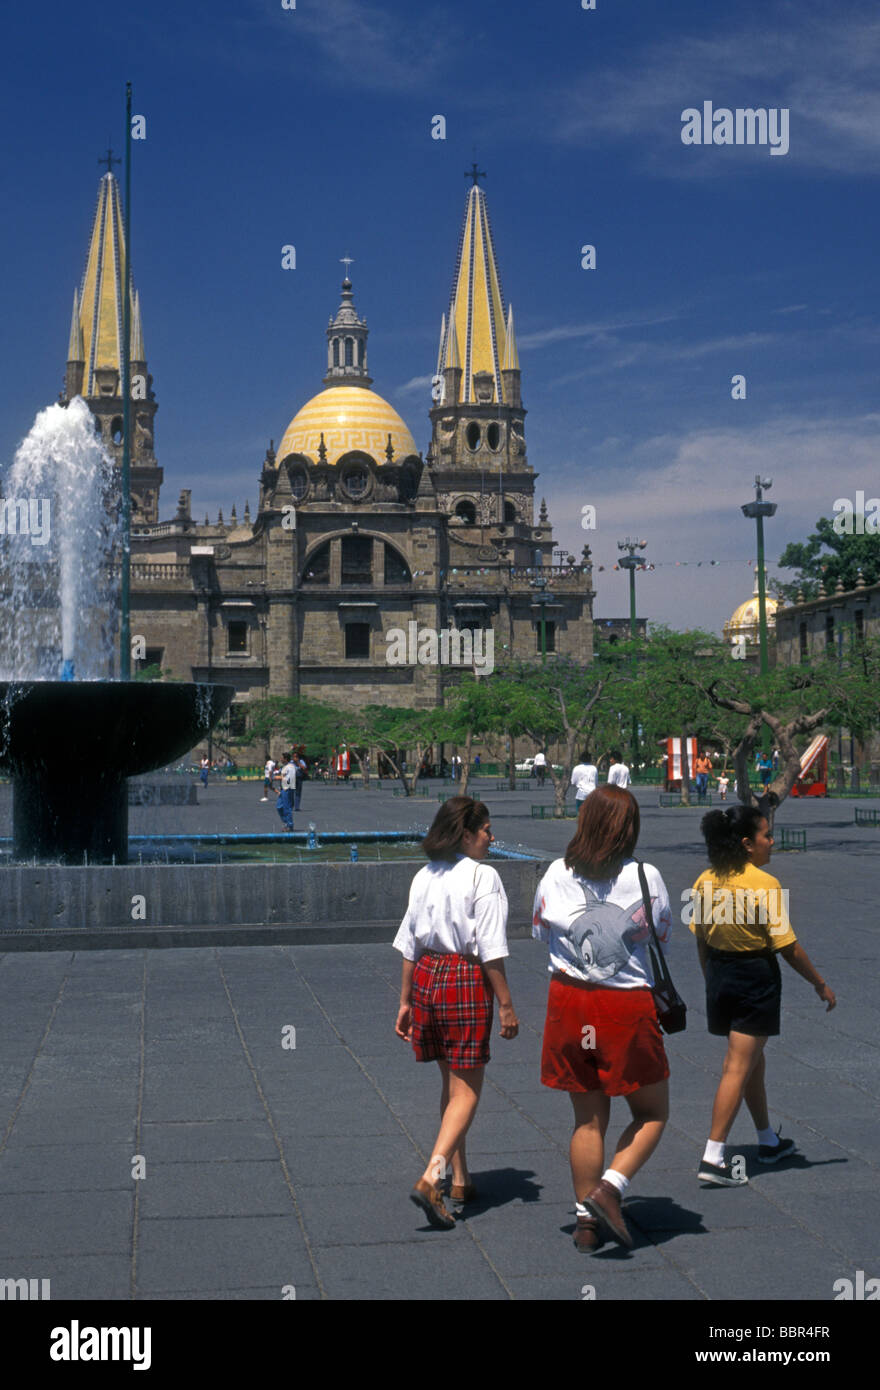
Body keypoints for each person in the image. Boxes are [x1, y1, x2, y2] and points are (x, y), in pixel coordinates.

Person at [533, 786, 672, 1253]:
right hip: (624, 1007)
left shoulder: (555, 873)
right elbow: (661, 934)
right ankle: (610, 1188)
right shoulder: (645, 876)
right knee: (652, 1112)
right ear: (629, 829)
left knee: (587, 1120)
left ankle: (585, 1225)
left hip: (570, 1005)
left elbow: (540, 931)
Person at [690, 807, 836, 1187]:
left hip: (721, 974)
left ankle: (767, 1139)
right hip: (754, 977)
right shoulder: (765, 884)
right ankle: (713, 1154)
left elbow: (701, 935)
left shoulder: (705, 880)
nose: (771, 842)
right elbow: (787, 947)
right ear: (747, 844)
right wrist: (819, 983)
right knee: (737, 1066)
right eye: (766, 835)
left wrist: (710, 978)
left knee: (752, 1059)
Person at [394, 796, 519, 1229]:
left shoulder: (424, 875)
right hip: (464, 979)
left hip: (428, 976)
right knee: (467, 1091)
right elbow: (491, 949)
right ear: (466, 834)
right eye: (486, 830)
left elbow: (410, 942)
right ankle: (432, 1177)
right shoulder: (482, 876)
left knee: (451, 1082)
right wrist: (505, 1004)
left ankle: (459, 1178)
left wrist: (406, 1000)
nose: (492, 836)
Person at [276, 752, 297, 832]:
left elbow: (289, 779)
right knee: (279, 806)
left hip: (287, 789)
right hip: (283, 788)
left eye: (282, 758)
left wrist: (279, 778)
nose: (281, 759)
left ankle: (289, 825)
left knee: (287, 808)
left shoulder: (291, 767)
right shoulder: (285, 767)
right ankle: (286, 822)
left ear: (285, 759)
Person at [293, 746, 308, 812]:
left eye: (296, 757)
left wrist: (298, 763)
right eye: (294, 757)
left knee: (298, 793)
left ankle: (297, 807)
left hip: (299, 778)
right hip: (292, 778)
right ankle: (290, 805)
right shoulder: (291, 762)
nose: (294, 758)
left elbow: (304, 768)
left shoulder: (301, 761)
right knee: (290, 792)